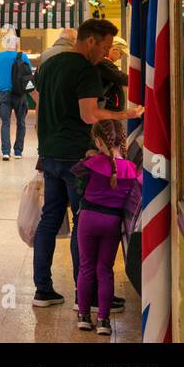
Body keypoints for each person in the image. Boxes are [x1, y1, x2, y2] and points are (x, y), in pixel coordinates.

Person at [32, 18, 143, 308]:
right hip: (76, 158)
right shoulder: (85, 69)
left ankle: (42, 289)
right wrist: (125, 115)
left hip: (49, 152)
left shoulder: (49, 65)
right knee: (84, 222)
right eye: (105, 46)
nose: (105, 53)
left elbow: (41, 104)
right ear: (91, 40)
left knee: (50, 220)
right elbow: (89, 115)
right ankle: (88, 294)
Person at [72, 120, 141, 335]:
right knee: (105, 270)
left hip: (89, 218)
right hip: (112, 222)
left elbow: (78, 186)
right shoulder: (130, 168)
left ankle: (83, 316)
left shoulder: (90, 164)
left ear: (99, 140)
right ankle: (103, 320)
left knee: (86, 267)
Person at [0, 32, 33, 160]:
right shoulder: (23, 56)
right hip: (20, 94)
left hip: (4, 93)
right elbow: (29, 75)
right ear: (16, 44)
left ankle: (6, 152)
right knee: (21, 123)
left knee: (5, 123)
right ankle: (18, 151)